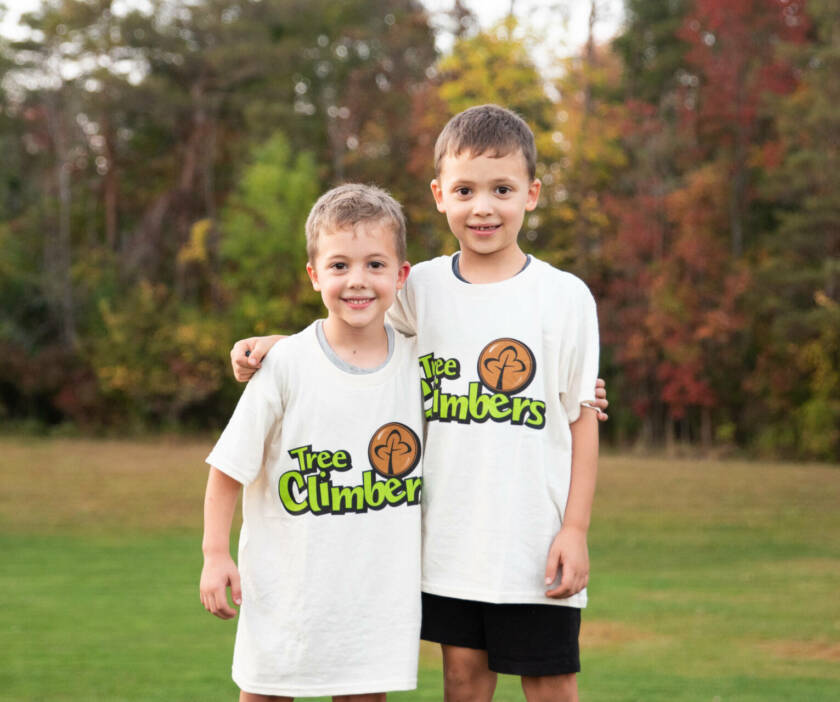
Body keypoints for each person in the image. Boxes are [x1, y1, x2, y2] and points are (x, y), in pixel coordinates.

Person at [231, 105, 607, 702]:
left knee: (551, 681)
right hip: (449, 541)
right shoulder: (421, 287)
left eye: (502, 189)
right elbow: (353, 327)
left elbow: (582, 419)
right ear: (439, 195)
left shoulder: (564, 298)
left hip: (535, 540)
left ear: (532, 194)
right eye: (465, 190)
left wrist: (576, 528)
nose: (482, 207)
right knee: (461, 680)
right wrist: (278, 348)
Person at [200, 184, 424, 702]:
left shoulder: (418, 366)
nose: (357, 281)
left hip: (373, 607)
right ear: (314, 275)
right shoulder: (284, 366)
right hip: (287, 600)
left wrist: (575, 393)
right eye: (339, 265)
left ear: (400, 274)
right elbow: (228, 468)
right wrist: (215, 554)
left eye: (374, 264)